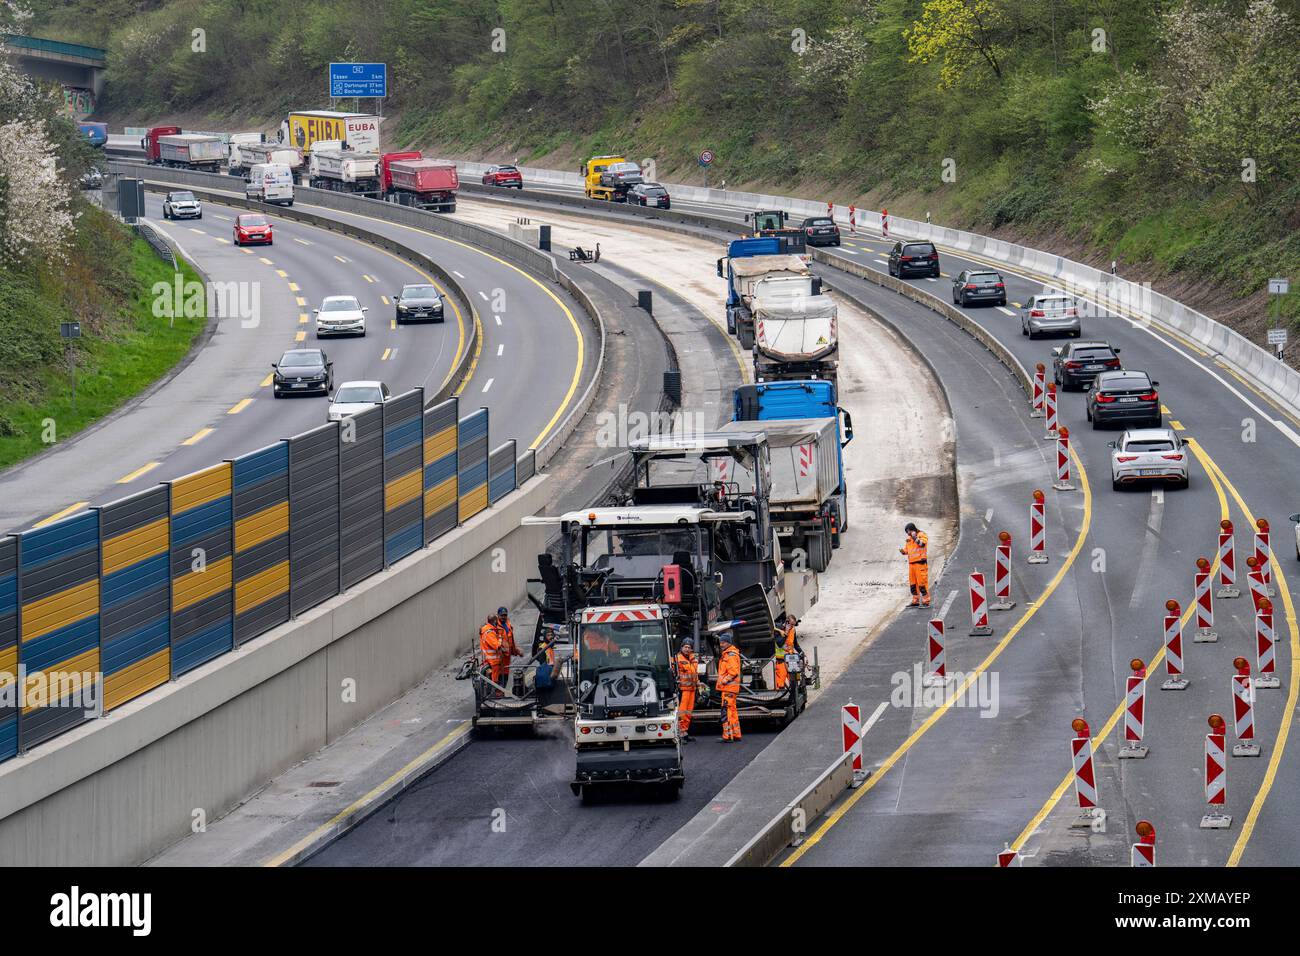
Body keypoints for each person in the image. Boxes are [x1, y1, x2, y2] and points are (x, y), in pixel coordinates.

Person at [717, 630, 742, 742]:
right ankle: (736, 734)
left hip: (728, 688)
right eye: (720, 642)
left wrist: (724, 681)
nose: (721, 644)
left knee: (726, 712)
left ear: (728, 643)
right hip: (731, 689)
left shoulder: (730, 655)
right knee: (732, 711)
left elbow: (733, 672)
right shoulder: (730, 653)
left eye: (723, 642)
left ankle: (728, 736)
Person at [900, 522, 930, 608]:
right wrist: (903, 551)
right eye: (907, 532)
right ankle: (915, 600)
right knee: (913, 584)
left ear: (912, 529)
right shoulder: (909, 538)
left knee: (922, 583)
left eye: (908, 531)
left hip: (920, 563)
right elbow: (907, 549)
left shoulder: (922, 535)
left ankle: (926, 601)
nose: (908, 533)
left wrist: (915, 537)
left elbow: (922, 544)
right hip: (912, 564)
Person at [675, 639, 699, 742]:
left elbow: (694, 673)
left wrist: (698, 682)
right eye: (685, 647)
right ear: (681, 647)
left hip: (692, 689)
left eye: (689, 647)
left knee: (688, 713)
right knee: (682, 713)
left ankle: (684, 733)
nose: (687, 649)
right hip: (683, 690)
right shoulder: (677, 659)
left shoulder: (693, 659)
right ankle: (680, 734)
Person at [479, 615, 505, 690]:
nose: (497, 623)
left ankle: (492, 691)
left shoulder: (487, 630)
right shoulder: (489, 633)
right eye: (496, 621)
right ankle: (494, 692)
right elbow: (496, 645)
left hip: (490, 659)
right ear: (494, 621)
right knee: (494, 679)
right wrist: (500, 638)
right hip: (493, 661)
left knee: (492, 678)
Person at [773, 615, 798, 690]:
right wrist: (786, 632)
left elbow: (795, 644)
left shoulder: (792, 629)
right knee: (780, 683)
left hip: (791, 658)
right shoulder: (778, 629)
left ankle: (793, 696)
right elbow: (779, 643)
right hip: (781, 660)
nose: (792, 626)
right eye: (791, 624)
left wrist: (802, 653)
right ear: (787, 622)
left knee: (793, 681)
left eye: (794, 625)